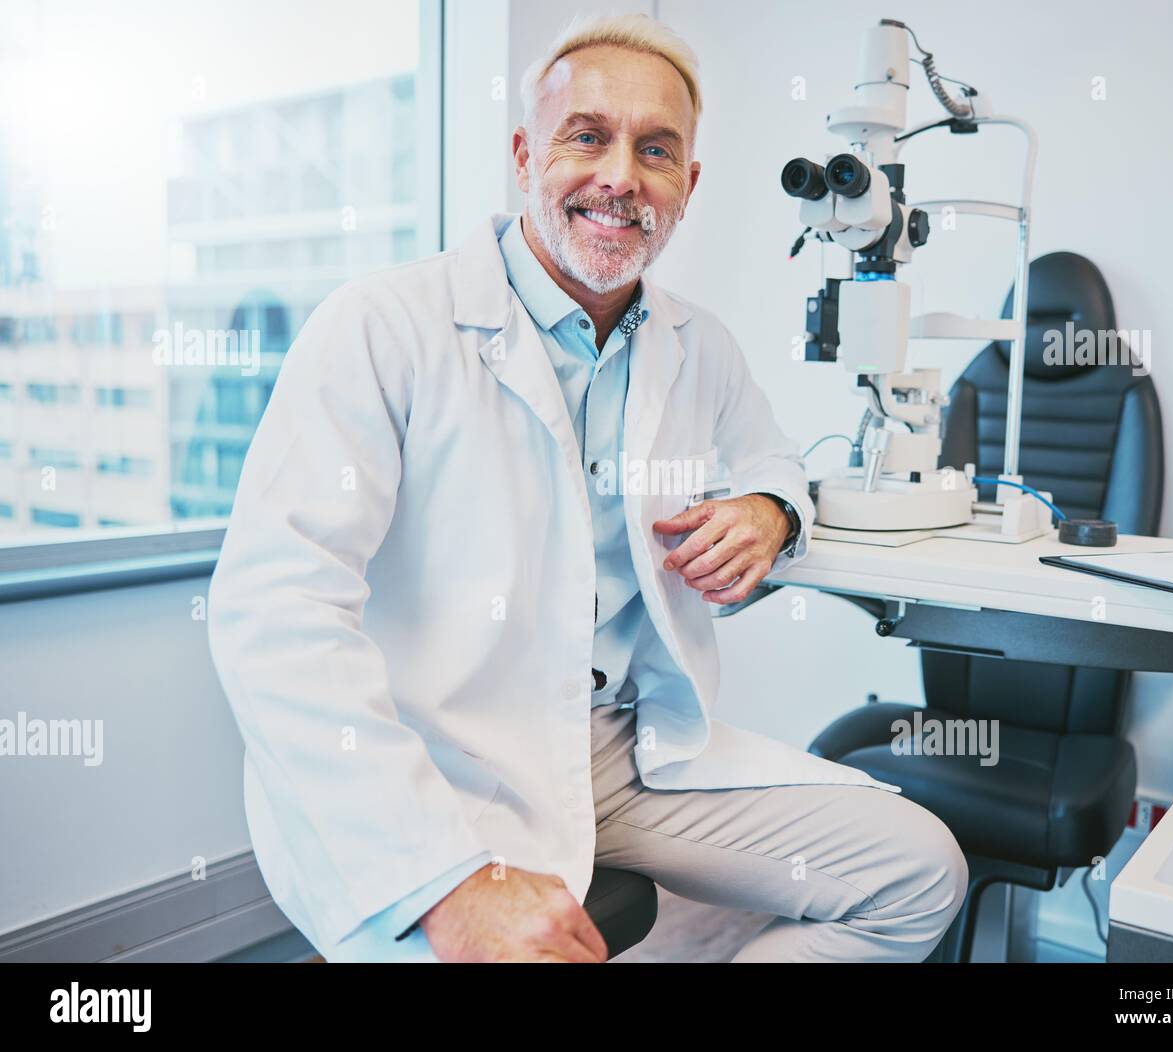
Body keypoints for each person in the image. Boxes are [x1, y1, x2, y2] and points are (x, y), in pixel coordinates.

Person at [208, 11, 967, 963]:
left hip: (616, 750)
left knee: (919, 873)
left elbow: (776, 462)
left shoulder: (700, 347)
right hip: (428, 767)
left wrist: (770, 513)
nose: (621, 176)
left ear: (688, 186)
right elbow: (274, 615)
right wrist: (446, 881)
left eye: (656, 150)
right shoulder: (381, 326)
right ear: (526, 152)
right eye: (588, 136)